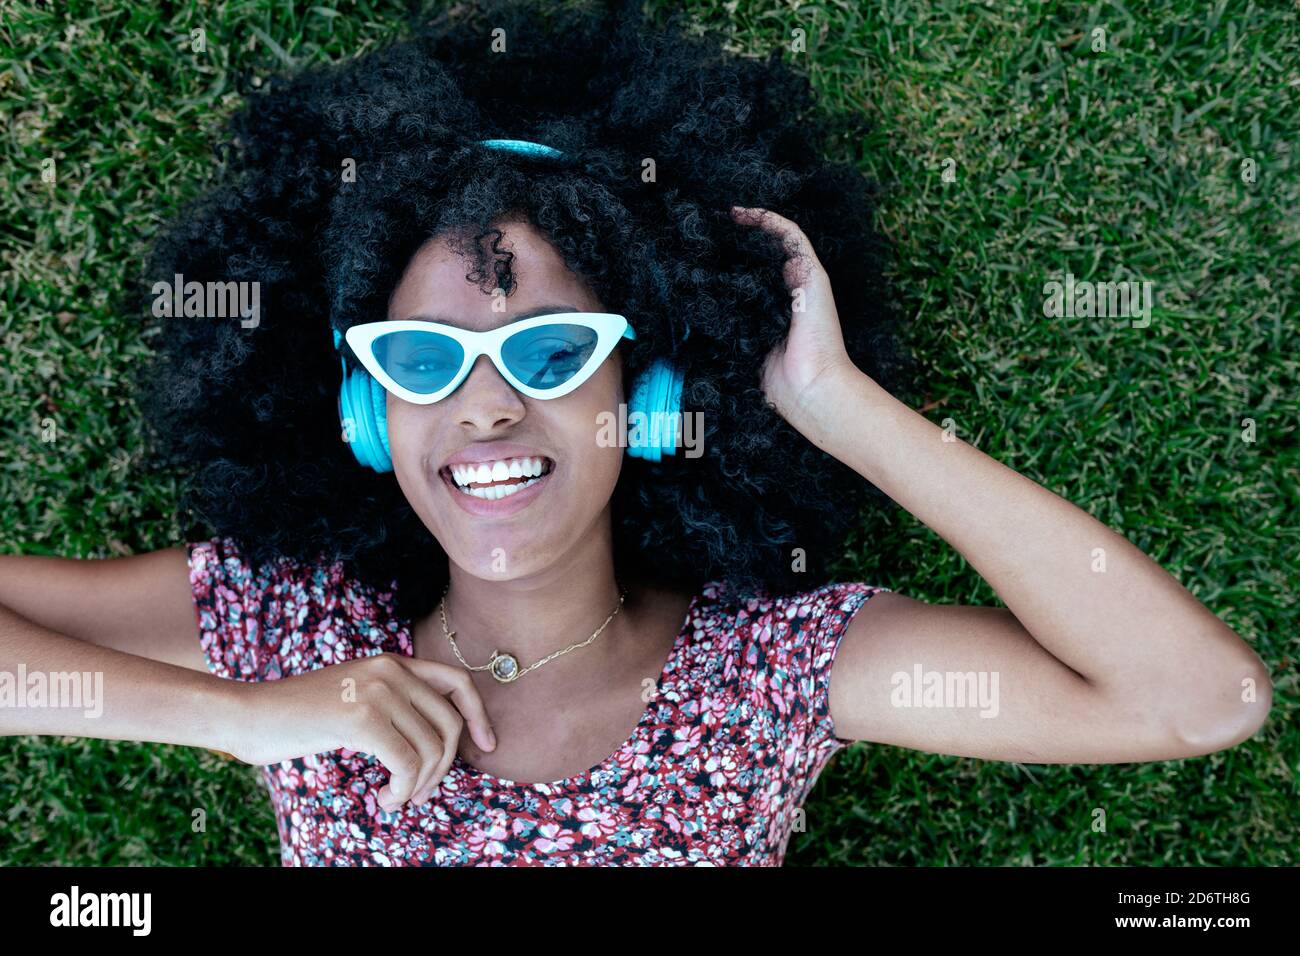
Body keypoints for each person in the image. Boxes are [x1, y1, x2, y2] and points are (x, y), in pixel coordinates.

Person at [0, 0, 1270, 866]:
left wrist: (840, 411)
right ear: (363, 410)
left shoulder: (762, 674)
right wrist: (244, 716)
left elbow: (1195, 697)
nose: (487, 404)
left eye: (554, 352)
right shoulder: (290, 632)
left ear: (644, 399)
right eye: (421, 360)